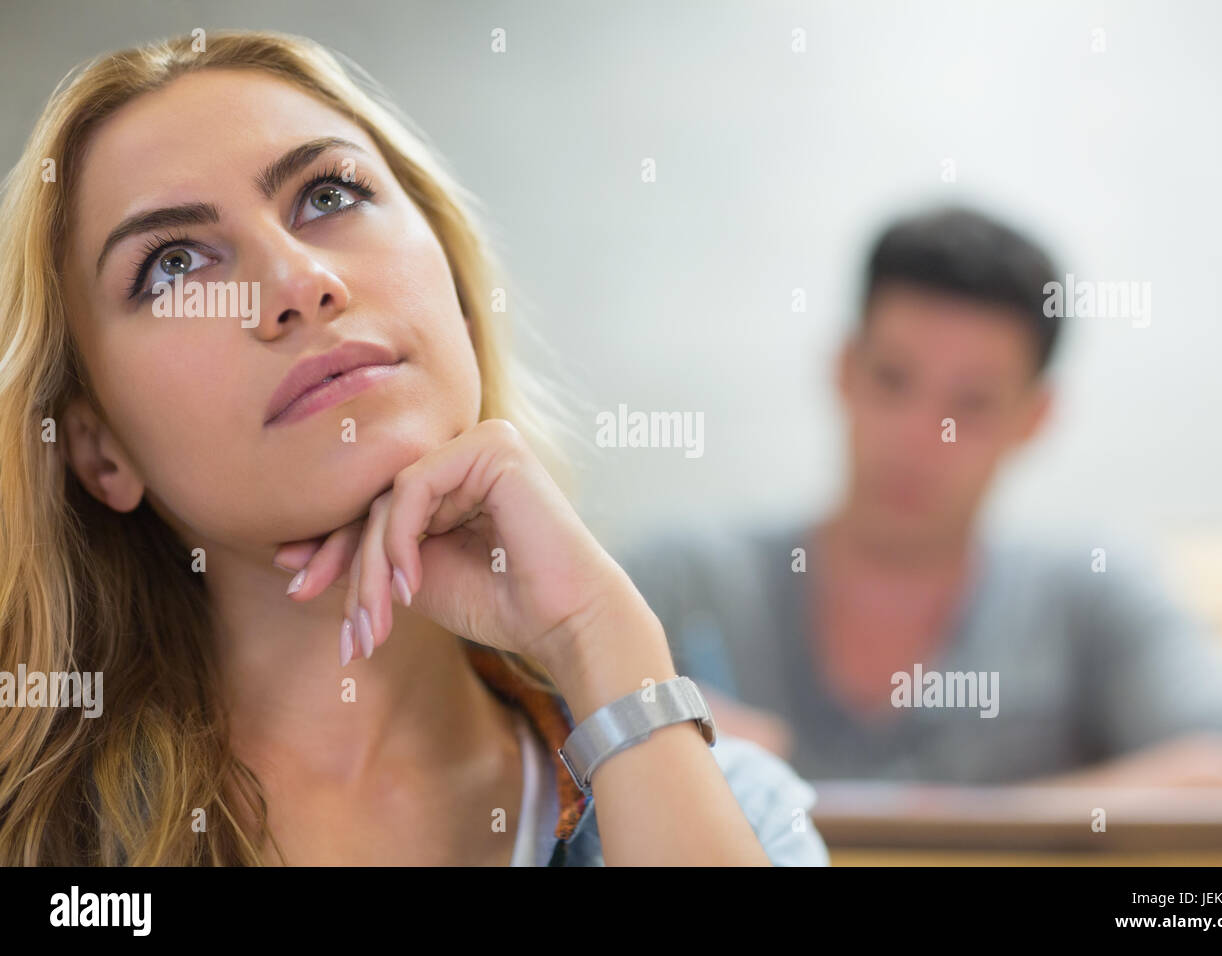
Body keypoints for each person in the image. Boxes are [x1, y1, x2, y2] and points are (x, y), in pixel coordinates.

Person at [0, 29, 828, 866]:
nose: (296, 283)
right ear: (99, 452)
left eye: (327, 196)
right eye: (175, 265)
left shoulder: (731, 809)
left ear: (458, 297)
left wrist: (600, 639)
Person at [616, 206, 1222, 785]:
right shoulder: (684, 580)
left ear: (1034, 418)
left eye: (971, 404)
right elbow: (536, 732)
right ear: (845, 370)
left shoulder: (1085, 594)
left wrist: (968, 833)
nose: (921, 436)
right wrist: (641, 728)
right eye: (893, 379)